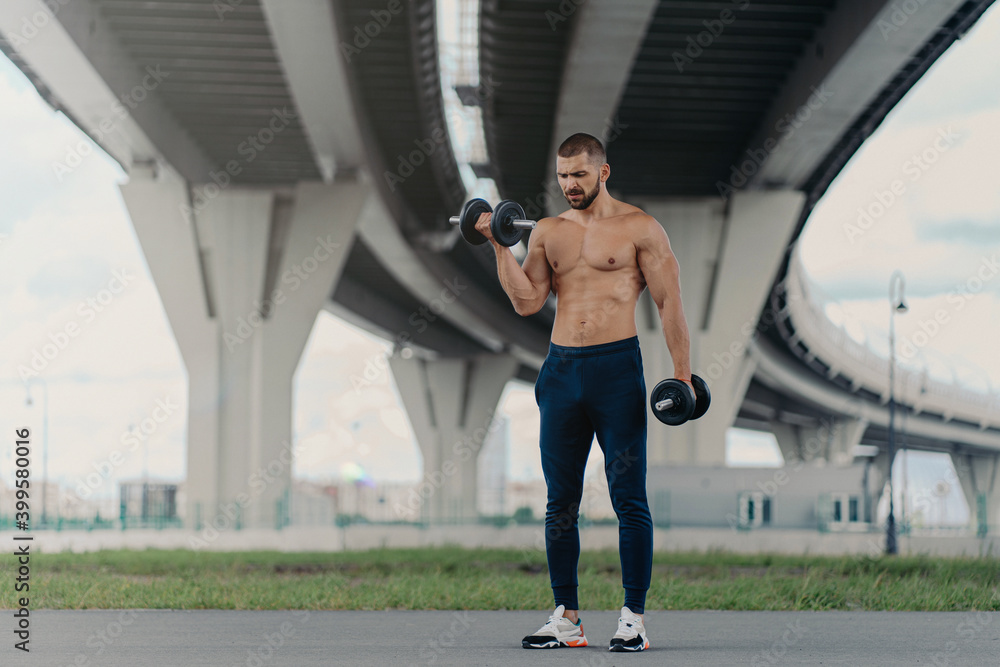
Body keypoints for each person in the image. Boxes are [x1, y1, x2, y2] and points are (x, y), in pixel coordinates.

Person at [475, 133, 694, 652]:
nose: (569, 184)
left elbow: (669, 303)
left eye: (578, 174)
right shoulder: (548, 232)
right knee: (560, 503)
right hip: (560, 372)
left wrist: (683, 377)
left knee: (629, 499)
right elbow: (527, 302)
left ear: (603, 172)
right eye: (563, 176)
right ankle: (567, 619)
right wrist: (500, 245)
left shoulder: (640, 228)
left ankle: (633, 618)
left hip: (616, 371)